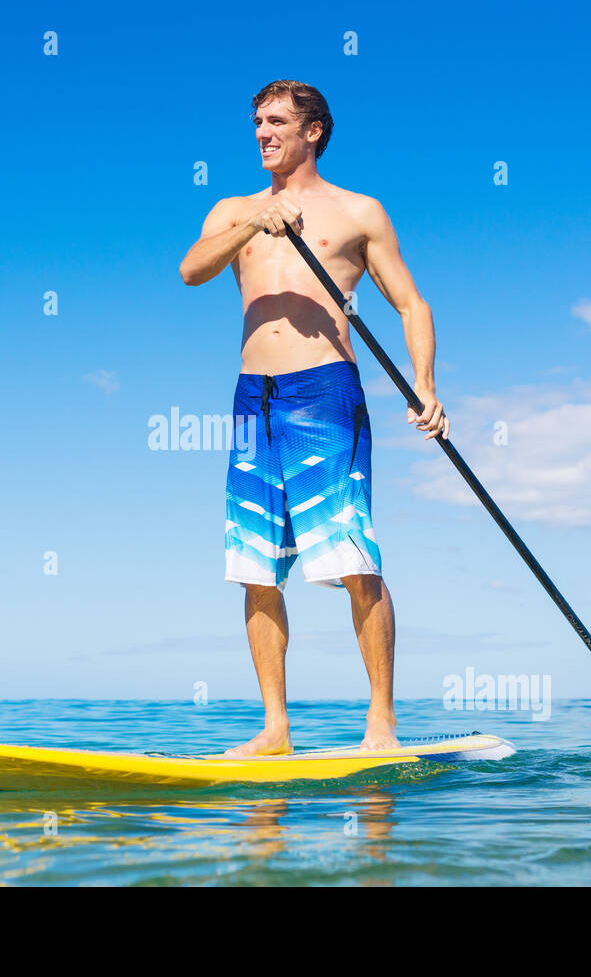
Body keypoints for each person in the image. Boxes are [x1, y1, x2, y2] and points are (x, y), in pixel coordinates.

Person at [179, 79, 449, 756]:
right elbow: (190, 270)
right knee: (256, 567)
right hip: (253, 398)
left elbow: (411, 305)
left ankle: (381, 723)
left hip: (326, 391)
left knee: (352, 557)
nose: (262, 133)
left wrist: (424, 384)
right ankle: (275, 730)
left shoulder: (359, 213)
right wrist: (253, 223)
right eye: (256, 122)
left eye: (276, 122)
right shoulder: (233, 208)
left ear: (314, 131)